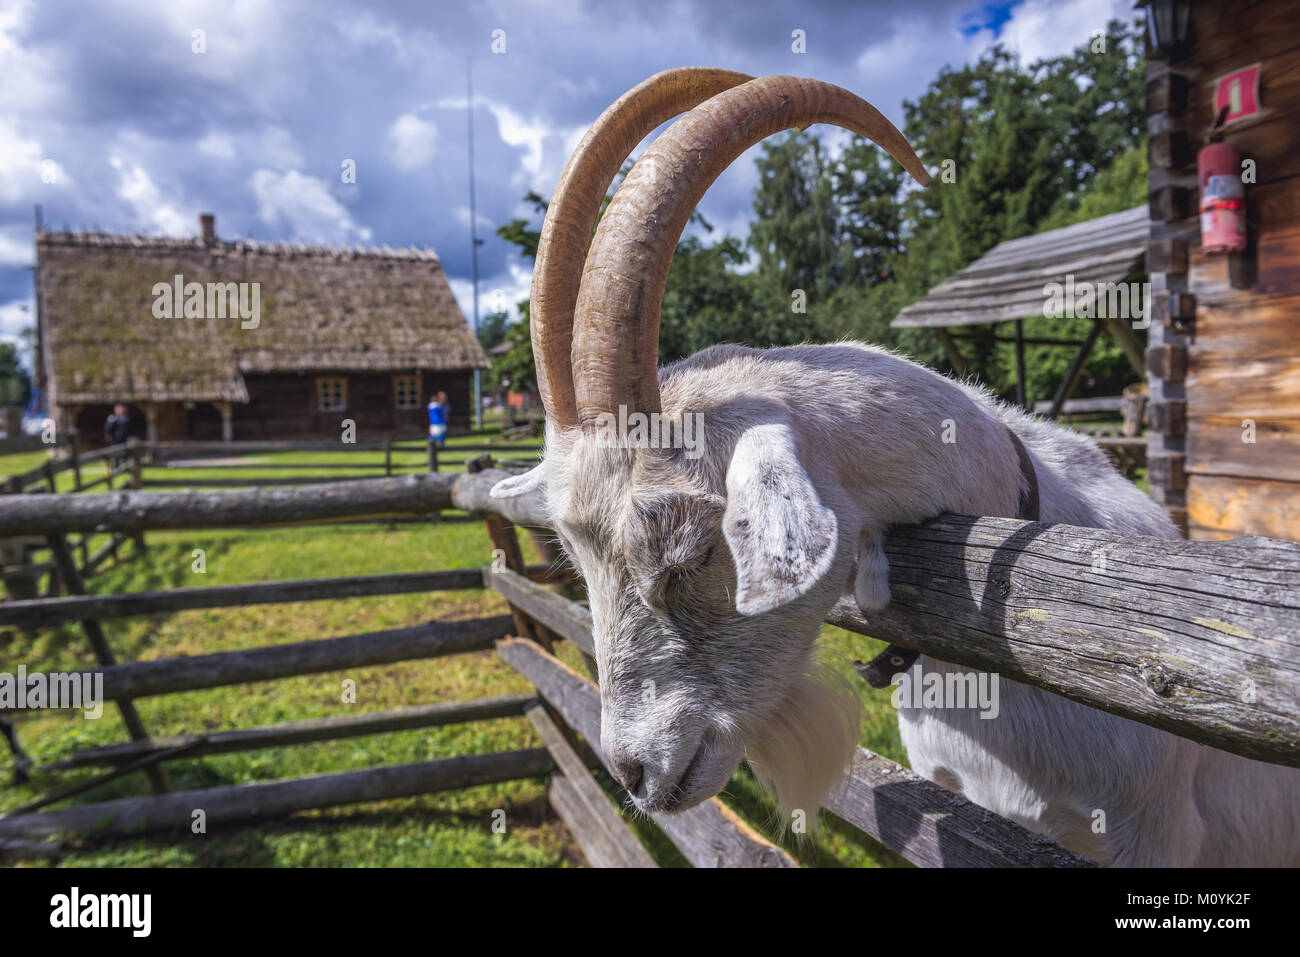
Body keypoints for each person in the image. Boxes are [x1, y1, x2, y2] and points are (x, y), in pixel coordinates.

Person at [104, 403, 131, 469]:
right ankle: (115, 469)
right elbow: (108, 429)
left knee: (125, 455)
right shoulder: (112, 418)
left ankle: (126, 468)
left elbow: (130, 429)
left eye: (120, 408)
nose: (119, 410)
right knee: (116, 456)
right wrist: (108, 436)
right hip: (116, 441)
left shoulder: (126, 418)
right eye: (118, 409)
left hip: (125, 440)